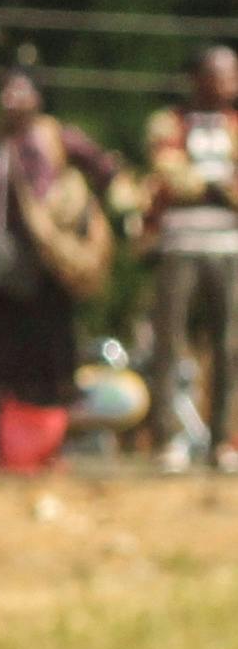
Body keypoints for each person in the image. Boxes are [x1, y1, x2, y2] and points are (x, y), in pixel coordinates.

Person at [0, 67, 108, 471]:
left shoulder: (58, 138)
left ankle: (51, 448)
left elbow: (104, 169)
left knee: (49, 358)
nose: (12, 100)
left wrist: (81, 213)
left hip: (47, 264)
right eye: (6, 92)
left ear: (38, 98)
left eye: (21, 92)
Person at [141, 43, 238, 468]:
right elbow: (169, 175)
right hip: (179, 246)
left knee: (228, 346)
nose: (230, 83)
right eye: (221, 74)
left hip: (229, 248)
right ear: (198, 79)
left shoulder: (234, 125)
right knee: (170, 343)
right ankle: (167, 439)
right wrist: (215, 185)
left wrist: (201, 184)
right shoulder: (169, 122)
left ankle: (223, 440)